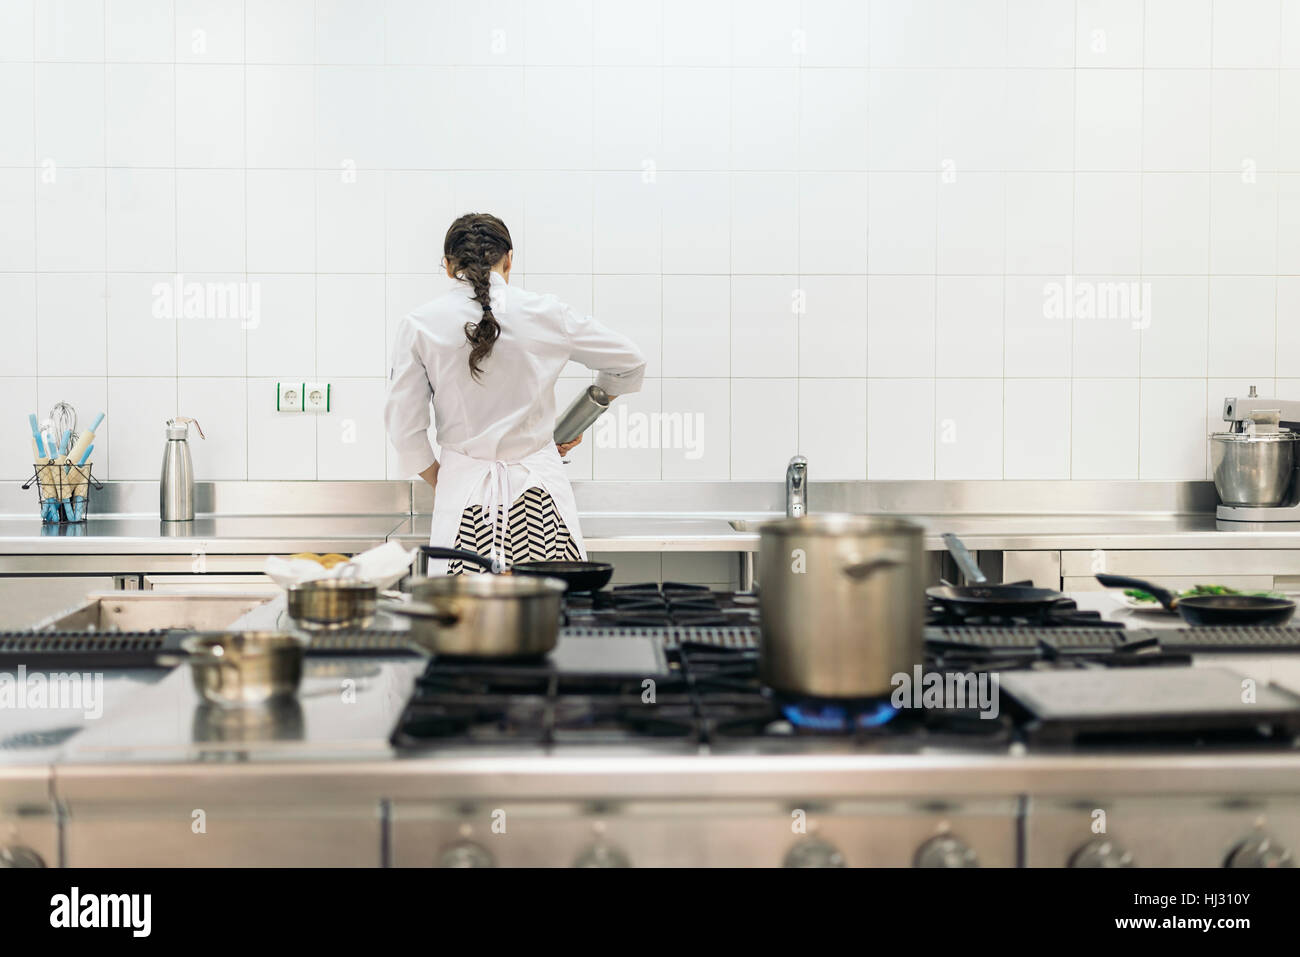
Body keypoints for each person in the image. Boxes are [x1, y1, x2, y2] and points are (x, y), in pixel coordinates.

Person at [384, 212, 645, 574]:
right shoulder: (548, 313)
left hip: (465, 505)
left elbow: (404, 431)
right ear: (509, 260)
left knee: (466, 623)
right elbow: (630, 361)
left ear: (447, 266)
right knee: (551, 621)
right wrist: (585, 412)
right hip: (541, 501)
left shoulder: (419, 325)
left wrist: (446, 478)